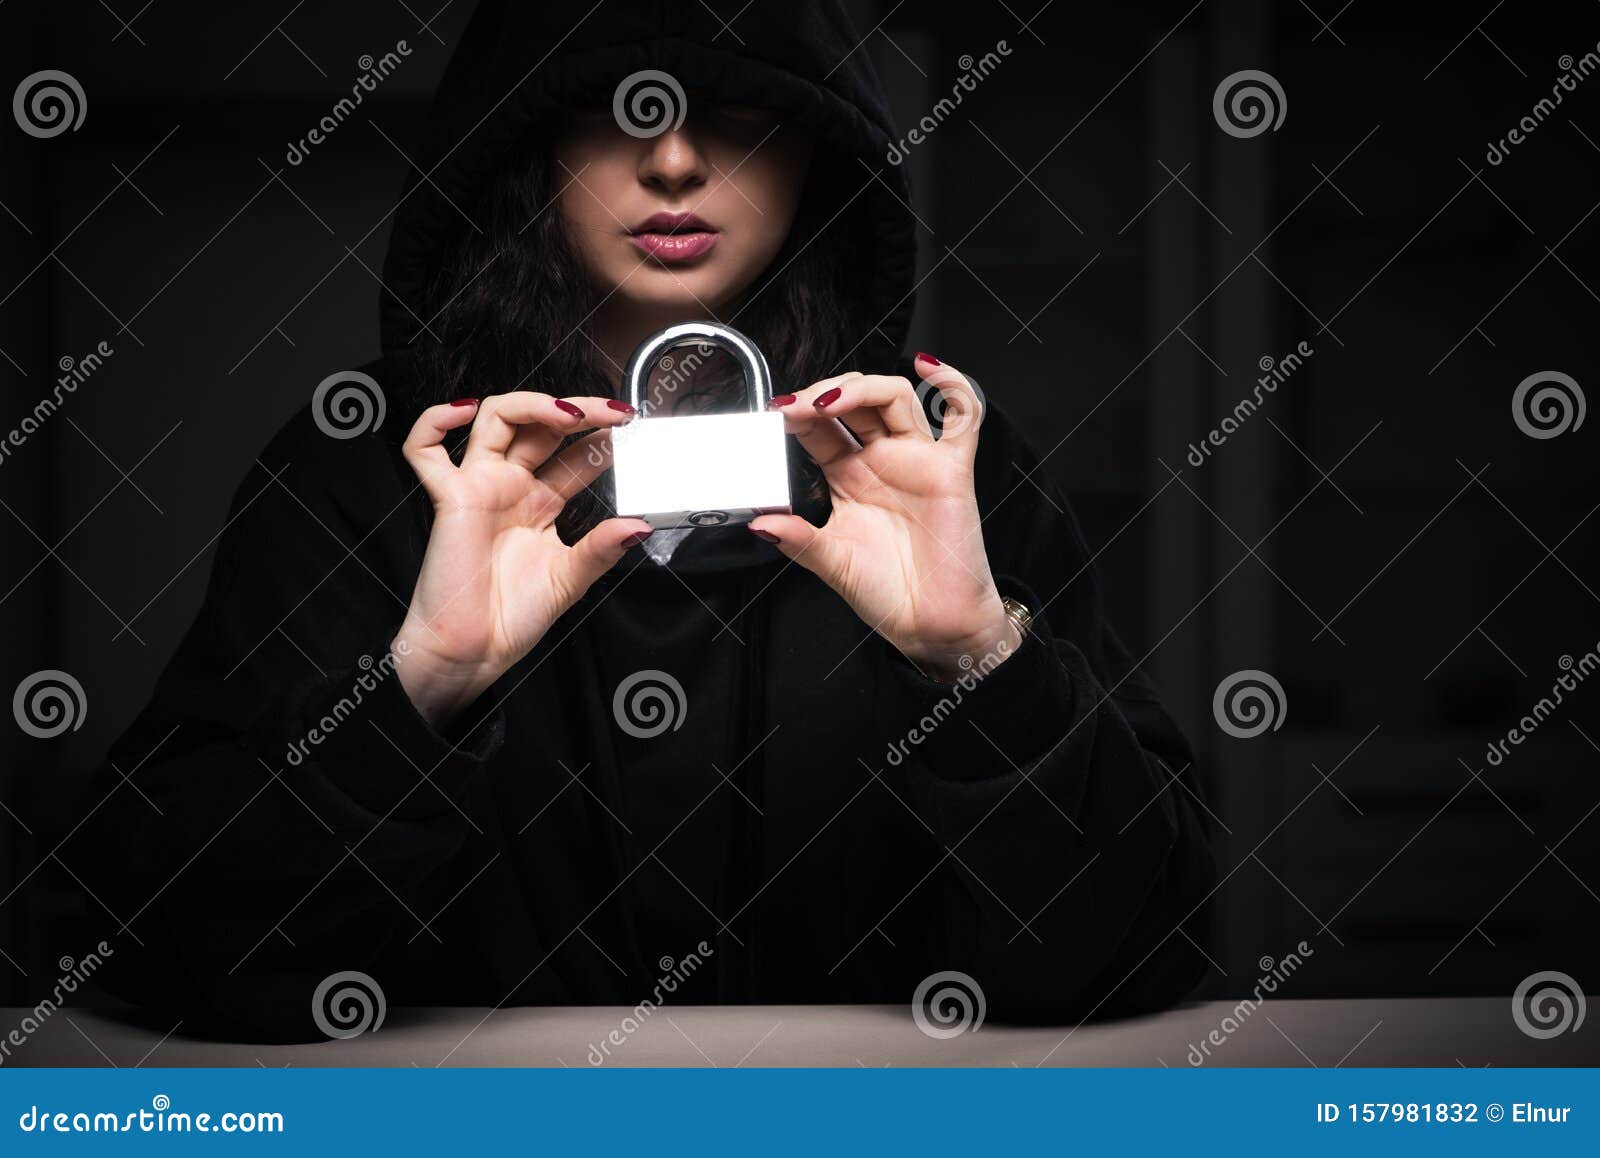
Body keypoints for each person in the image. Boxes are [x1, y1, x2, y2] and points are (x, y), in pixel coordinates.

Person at [78, 0, 1216, 1042]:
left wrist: (978, 664)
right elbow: (159, 953)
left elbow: (1142, 958)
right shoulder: (360, 468)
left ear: (815, 140)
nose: (672, 159)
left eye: (733, 112)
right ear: (528, 140)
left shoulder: (939, 471)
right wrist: (420, 685)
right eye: (612, 112)